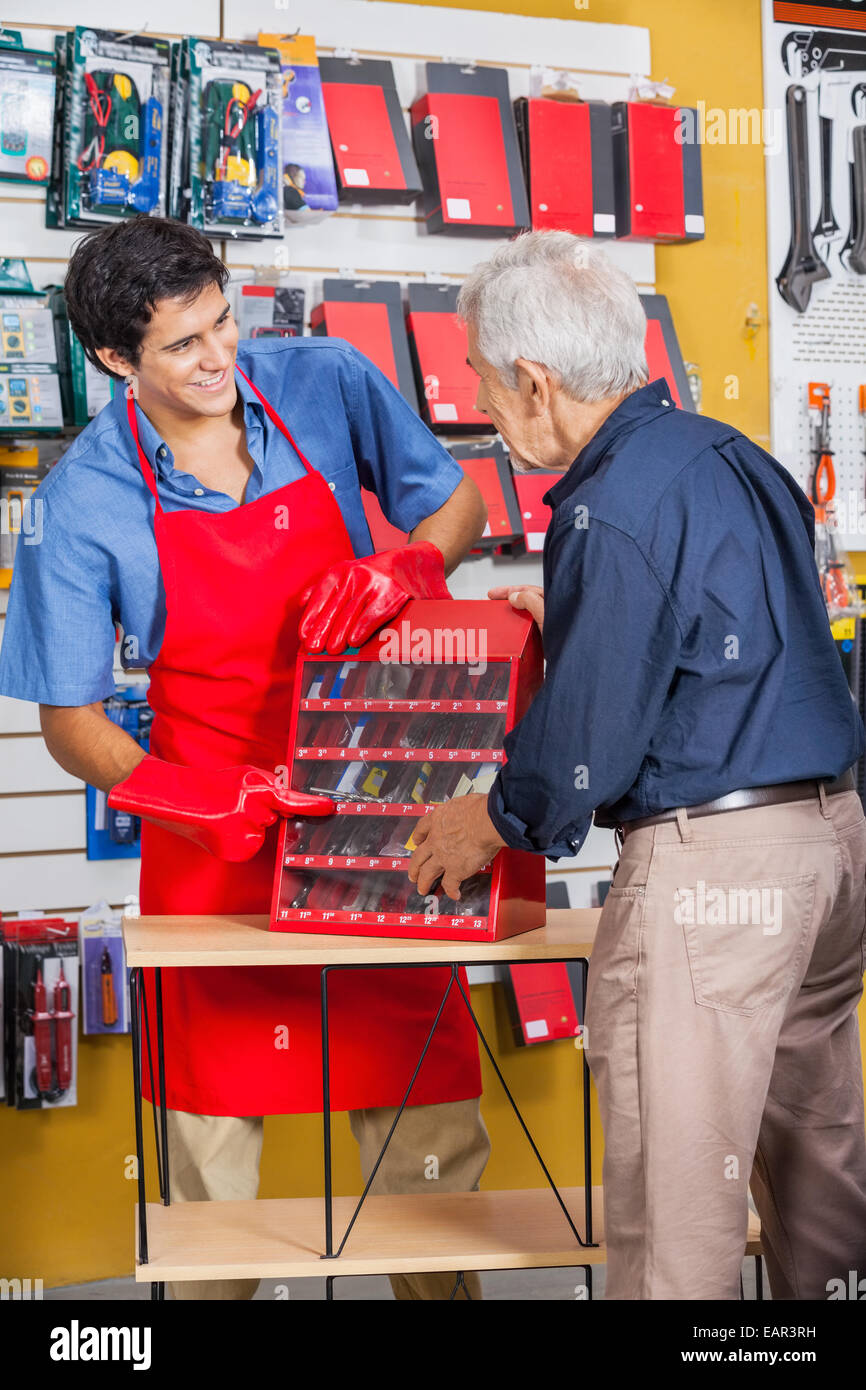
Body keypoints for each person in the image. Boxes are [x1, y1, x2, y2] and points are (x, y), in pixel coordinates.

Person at [0, 215, 491, 1301]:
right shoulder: (82, 498)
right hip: (209, 851)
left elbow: (457, 502)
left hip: (378, 825)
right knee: (214, 1200)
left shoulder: (324, 378)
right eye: (183, 346)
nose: (221, 359)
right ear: (117, 359)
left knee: (427, 1164)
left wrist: (406, 566)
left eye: (223, 321)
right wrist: (193, 800)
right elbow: (71, 720)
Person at [410, 229, 866, 1301]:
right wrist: (580, 620)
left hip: (716, 877)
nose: (482, 405)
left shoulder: (603, 508)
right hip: (830, 846)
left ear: (533, 380)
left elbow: (581, 755)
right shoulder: (731, 453)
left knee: (676, 1213)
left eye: (481, 379)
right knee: (817, 1168)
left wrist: (492, 820)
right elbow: (724, 638)